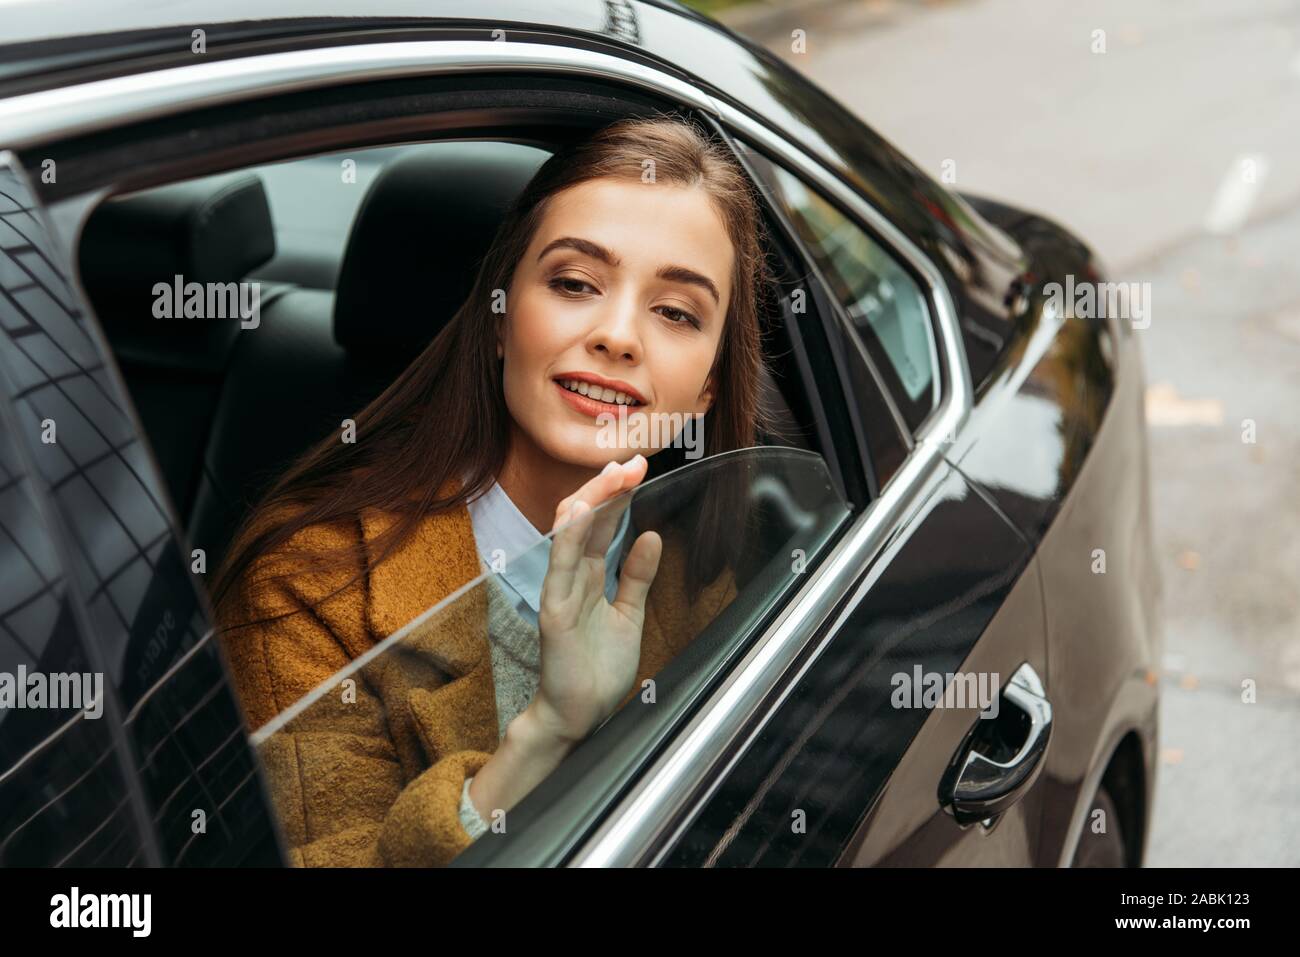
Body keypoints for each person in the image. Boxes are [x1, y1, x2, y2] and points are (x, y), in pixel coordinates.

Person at [210, 113, 774, 866]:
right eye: (575, 283)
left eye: (675, 311)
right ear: (500, 319)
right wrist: (548, 731)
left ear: (707, 389)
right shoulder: (306, 587)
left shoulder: (704, 573)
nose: (618, 335)